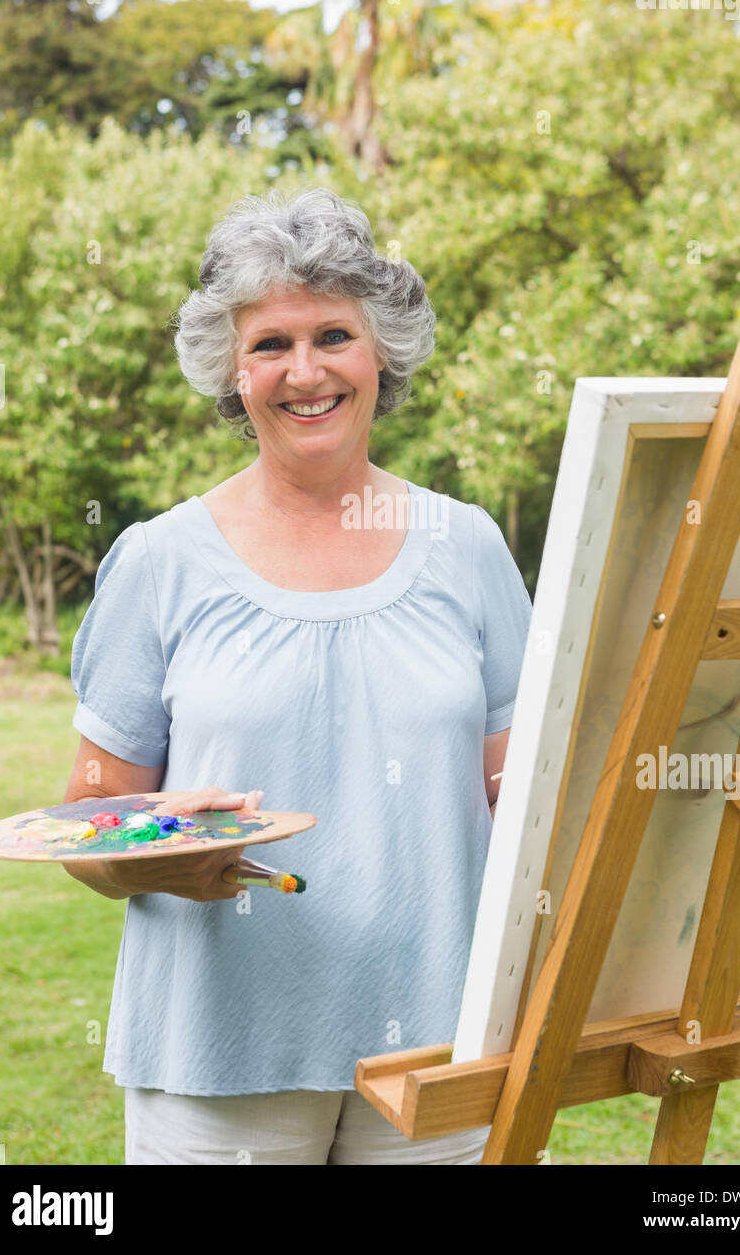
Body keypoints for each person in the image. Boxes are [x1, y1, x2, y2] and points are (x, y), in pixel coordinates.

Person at [63, 186, 534, 1164]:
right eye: (269, 344)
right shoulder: (161, 561)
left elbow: (521, 805)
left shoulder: (468, 546)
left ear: (382, 351)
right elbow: (85, 825)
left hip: (437, 1052)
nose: (304, 370)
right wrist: (159, 854)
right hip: (216, 1058)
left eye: (332, 335)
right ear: (231, 374)